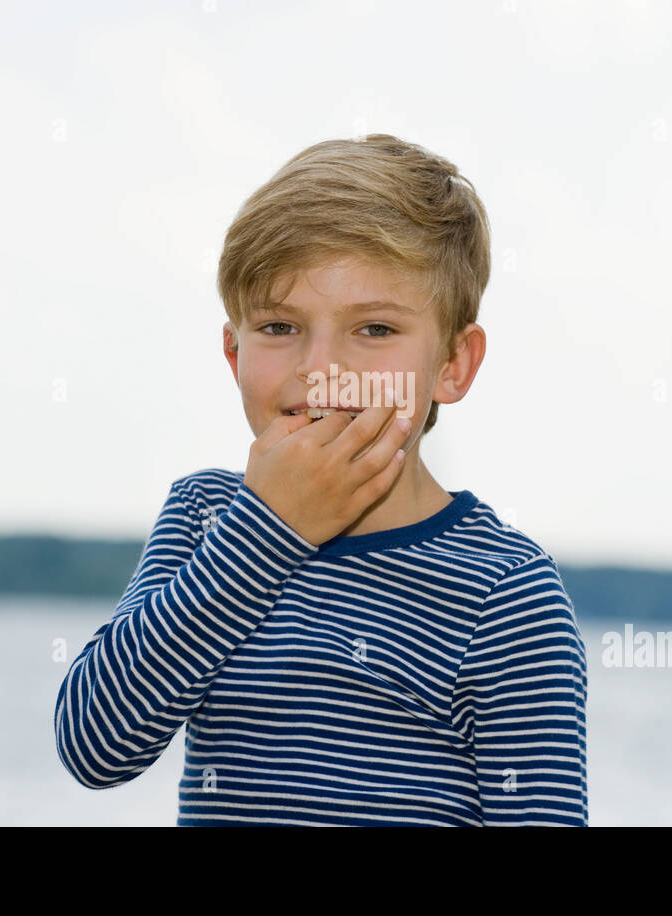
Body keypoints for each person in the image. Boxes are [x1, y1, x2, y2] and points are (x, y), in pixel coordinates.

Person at [54, 134, 588, 826]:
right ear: (233, 351)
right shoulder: (208, 519)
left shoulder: (505, 593)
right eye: (279, 326)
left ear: (453, 363)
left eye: (372, 329)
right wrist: (265, 532)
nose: (320, 369)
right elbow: (94, 746)